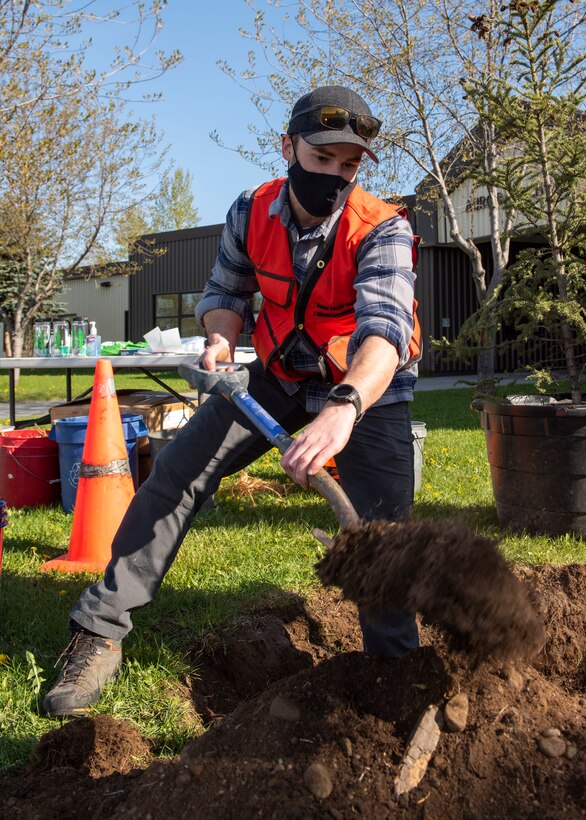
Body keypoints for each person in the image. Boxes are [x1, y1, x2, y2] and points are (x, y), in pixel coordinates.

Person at [43, 85, 421, 717]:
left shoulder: (382, 228)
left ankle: (396, 672)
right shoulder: (252, 210)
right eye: (322, 157)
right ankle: (99, 632)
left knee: (380, 527)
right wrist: (221, 337)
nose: (334, 175)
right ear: (289, 146)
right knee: (176, 474)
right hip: (275, 377)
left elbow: (383, 332)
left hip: (363, 389)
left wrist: (344, 407)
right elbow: (227, 290)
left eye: (348, 165)